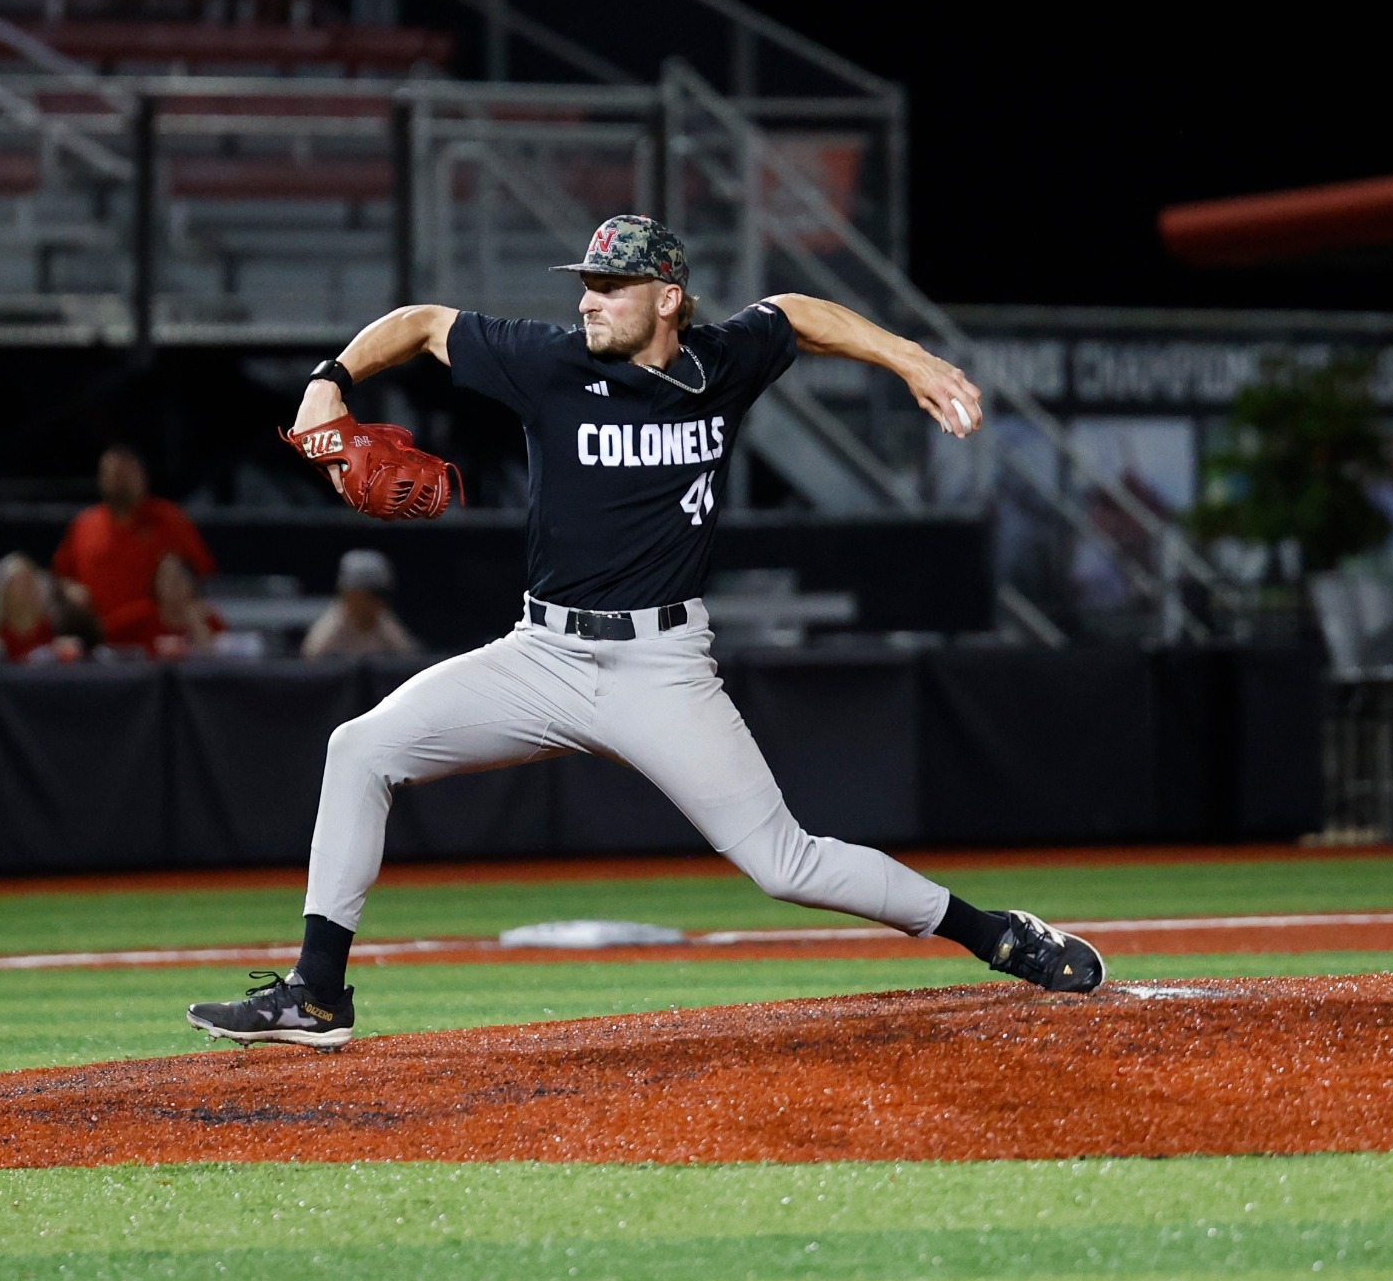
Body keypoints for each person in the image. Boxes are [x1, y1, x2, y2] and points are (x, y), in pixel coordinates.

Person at [185, 213, 1101, 1050]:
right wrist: (328, 383)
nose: (588, 299)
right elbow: (422, 322)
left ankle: (1001, 935)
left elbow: (796, 311)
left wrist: (911, 360)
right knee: (359, 748)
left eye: (609, 286)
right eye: (584, 282)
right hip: (539, 655)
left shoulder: (723, 362)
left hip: (662, 667)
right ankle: (316, 993)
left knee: (784, 864)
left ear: (667, 298)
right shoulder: (547, 363)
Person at [52, 446, 216, 647]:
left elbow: (203, 575)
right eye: (112, 474)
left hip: (156, 640)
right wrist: (70, 589)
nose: (119, 481)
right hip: (98, 641)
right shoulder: (84, 524)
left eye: (125, 474)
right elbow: (60, 577)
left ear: (142, 476)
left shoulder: (170, 520)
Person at [300, 548, 417, 658]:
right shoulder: (330, 629)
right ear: (349, 595)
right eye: (372, 595)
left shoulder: (383, 622)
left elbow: (409, 659)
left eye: (382, 596)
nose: (378, 602)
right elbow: (311, 665)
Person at [0, 552, 75, 663]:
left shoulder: (55, 626)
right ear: (4, 592)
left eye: (29, 581)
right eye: (18, 583)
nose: (26, 588)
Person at [142, 554, 227, 659]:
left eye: (180, 576)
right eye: (166, 577)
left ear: (192, 583)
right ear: (155, 583)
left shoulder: (209, 620)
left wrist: (197, 624)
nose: (173, 583)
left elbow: (220, 660)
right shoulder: (139, 619)